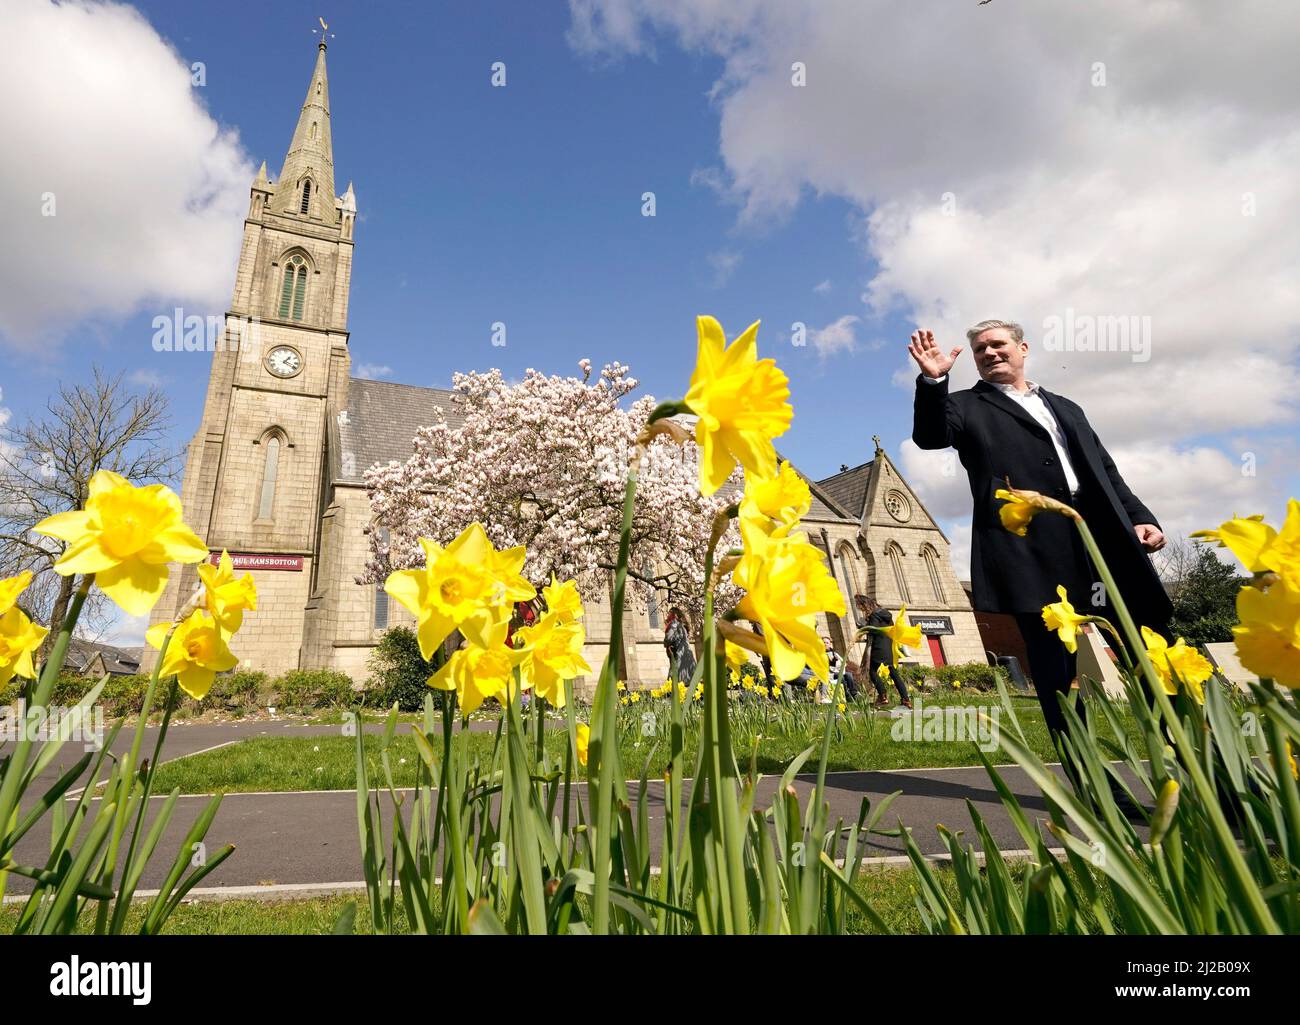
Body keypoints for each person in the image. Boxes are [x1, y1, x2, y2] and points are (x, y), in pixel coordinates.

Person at [909, 321, 1172, 786]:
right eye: (979, 349)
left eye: (998, 344)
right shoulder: (966, 406)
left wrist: (1139, 515)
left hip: (1102, 546)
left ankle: (1207, 771)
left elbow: (1105, 470)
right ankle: (1097, 791)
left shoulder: (1067, 407)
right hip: (1032, 554)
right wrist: (933, 381)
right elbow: (931, 436)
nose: (989, 353)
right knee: (1057, 676)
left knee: (1151, 662)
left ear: (1022, 349)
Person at [857, 595, 911, 708]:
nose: (861, 610)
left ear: (865, 605)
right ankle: (906, 700)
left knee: (872, 672)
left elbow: (874, 630)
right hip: (889, 647)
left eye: (861, 607)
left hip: (879, 648)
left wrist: (863, 627)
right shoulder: (886, 614)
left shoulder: (874, 615)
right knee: (894, 673)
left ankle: (882, 697)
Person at [663, 607, 696, 685]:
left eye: (669, 613)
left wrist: (666, 644)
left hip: (678, 654)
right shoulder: (682, 625)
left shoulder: (674, 624)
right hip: (687, 653)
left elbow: (669, 638)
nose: (667, 615)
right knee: (690, 681)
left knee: (676, 681)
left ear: (674, 614)